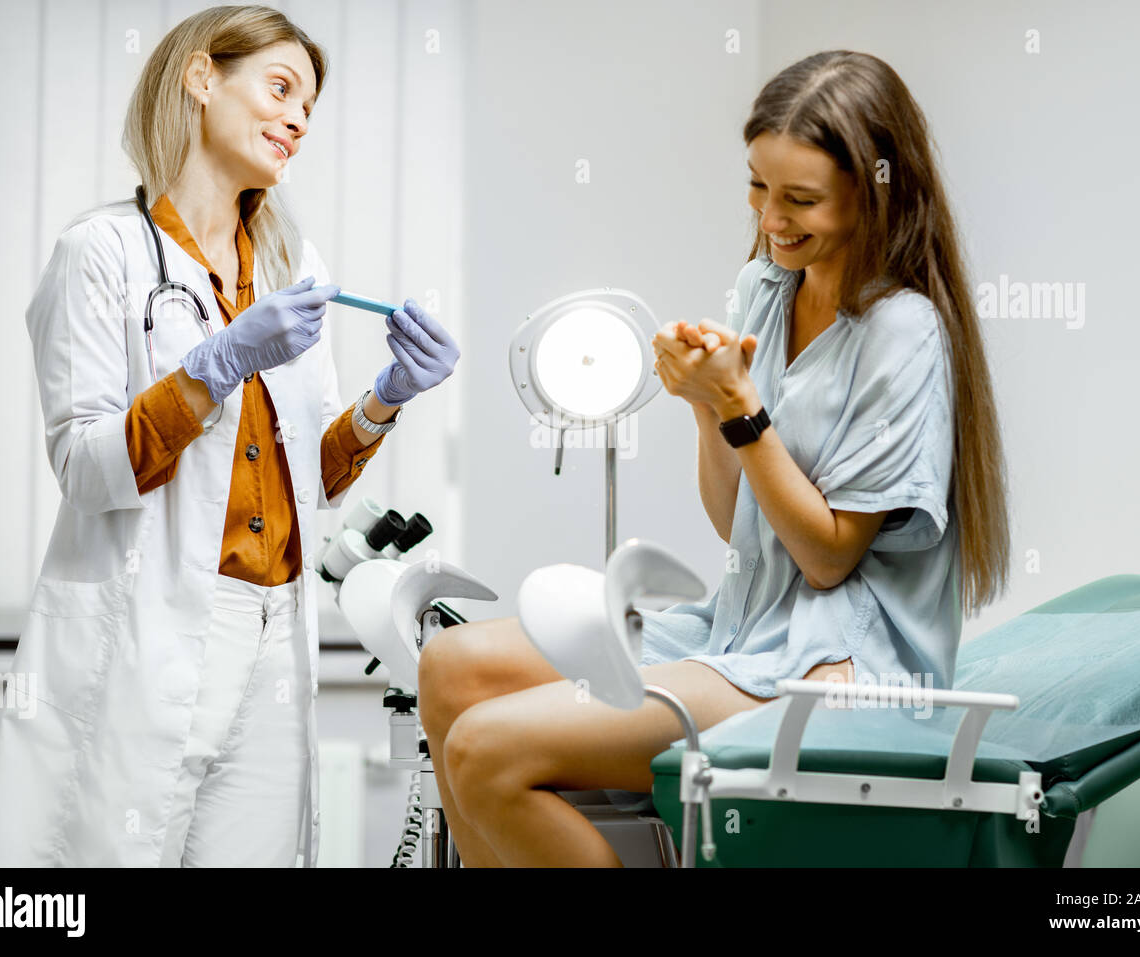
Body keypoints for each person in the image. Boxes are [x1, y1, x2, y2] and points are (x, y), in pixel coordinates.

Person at [416, 50, 1011, 866]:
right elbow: (740, 523)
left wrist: (742, 410)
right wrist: (706, 408)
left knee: (488, 748)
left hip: (842, 669)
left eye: (800, 198)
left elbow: (830, 557)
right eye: (758, 187)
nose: (771, 218)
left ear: (876, 190)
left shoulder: (902, 332)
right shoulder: (766, 288)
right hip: (746, 627)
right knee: (449, 666)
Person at [0, 4, 458, 867]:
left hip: (275, 627)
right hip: (147, 625)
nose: (298, 119)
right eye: (280, 88)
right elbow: (86, 466)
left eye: (309, 108)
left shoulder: (291, 267)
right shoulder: (102, 253)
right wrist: (217, 362)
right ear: (202, 78)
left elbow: (313, 478)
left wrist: (387, 397)